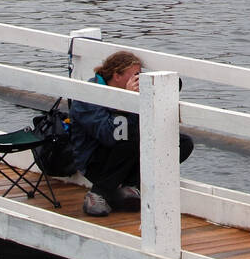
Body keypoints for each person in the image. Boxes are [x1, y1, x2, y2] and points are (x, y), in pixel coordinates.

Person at [70, 50, 194, 218]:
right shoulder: (88, 95)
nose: (138, 79)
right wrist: (127, 102)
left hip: (125, 156)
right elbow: (110, 135)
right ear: (117, 76)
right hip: (96, 160)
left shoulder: (137, 94)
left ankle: (130, 186)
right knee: (131, 137)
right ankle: (98, 193)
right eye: (135, 75)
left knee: (181, 142)